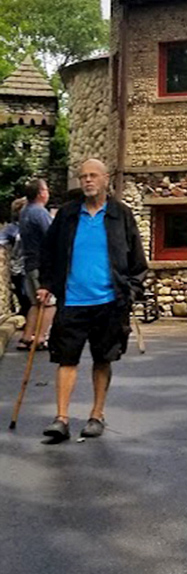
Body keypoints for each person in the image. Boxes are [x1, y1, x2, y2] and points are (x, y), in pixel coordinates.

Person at [38, 158, 148, 443]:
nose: (87, 180)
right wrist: (46, 284)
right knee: (66, 359)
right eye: (83, 176)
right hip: (72, 300)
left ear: (105, 179)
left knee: (103, 359)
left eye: (93, 176)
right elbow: (48, 251)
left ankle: (96, 415)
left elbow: (137, 261)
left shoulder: (121, 215)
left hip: (109, 302)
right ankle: (61, 419)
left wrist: (131, 292)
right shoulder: (68, 214)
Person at [18, 178, 55, 349]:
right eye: (46, 189)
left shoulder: (25, 211)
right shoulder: (40, 212)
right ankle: (40, 337)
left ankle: (27, 336)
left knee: (35, 303)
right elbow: (52, 235)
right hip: (41, 264)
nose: (48, 193)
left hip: (29, 262)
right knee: (48, 303)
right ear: (41, 193)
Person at [0, 197, 30, 318]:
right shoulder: (11, 228)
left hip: (30, 266)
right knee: (24, 296)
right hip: (18, 268)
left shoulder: (32, 225)